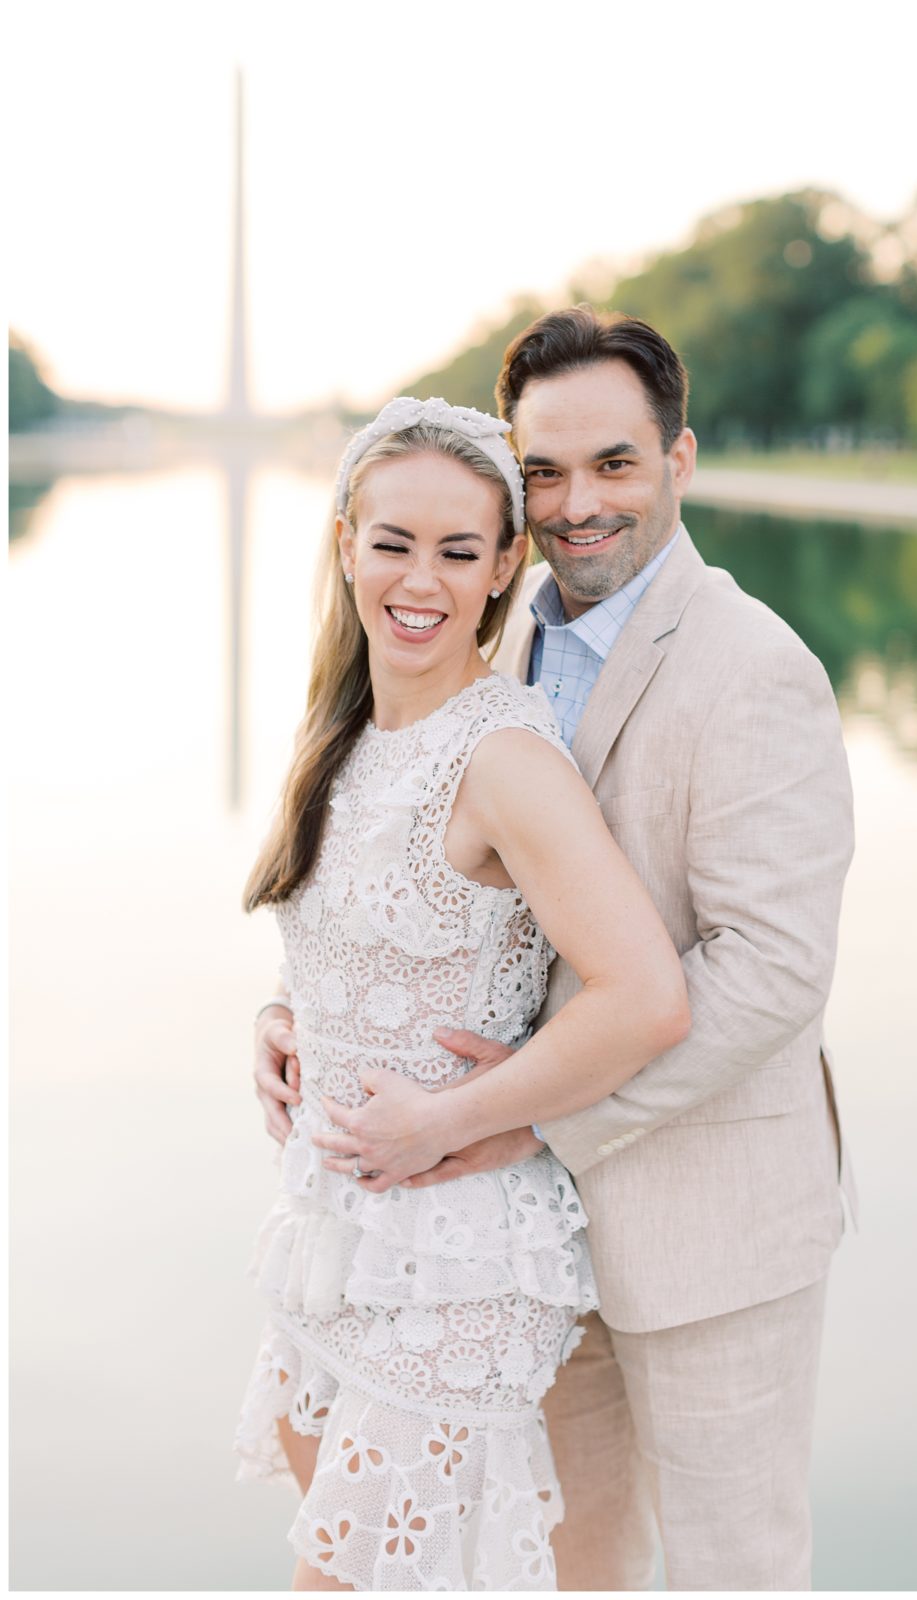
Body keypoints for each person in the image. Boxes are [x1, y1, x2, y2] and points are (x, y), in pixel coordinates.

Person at [255, 309, 857, 1590]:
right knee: (569, 1571)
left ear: (678, 460)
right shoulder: (493, 623)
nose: (582, 503)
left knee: (729, 1571)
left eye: (616, 463)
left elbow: (770, 970)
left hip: (699, 1222)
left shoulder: (758, 666)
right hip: (504, 1230)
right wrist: (303, 1014)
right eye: (548, 471)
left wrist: (520, 1120)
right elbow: (444, 897)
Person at [235, 394, 690, 1592]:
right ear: (346, 546)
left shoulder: (504, 756)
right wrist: (282, 1021)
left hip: (457, 1263)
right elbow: (349, 941)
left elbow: (643, 995)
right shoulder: (343, 732)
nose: (418, 579)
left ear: (504, 566)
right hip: (331, 1227)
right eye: (391, 542)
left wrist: (450, 1120)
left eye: (456, 549)